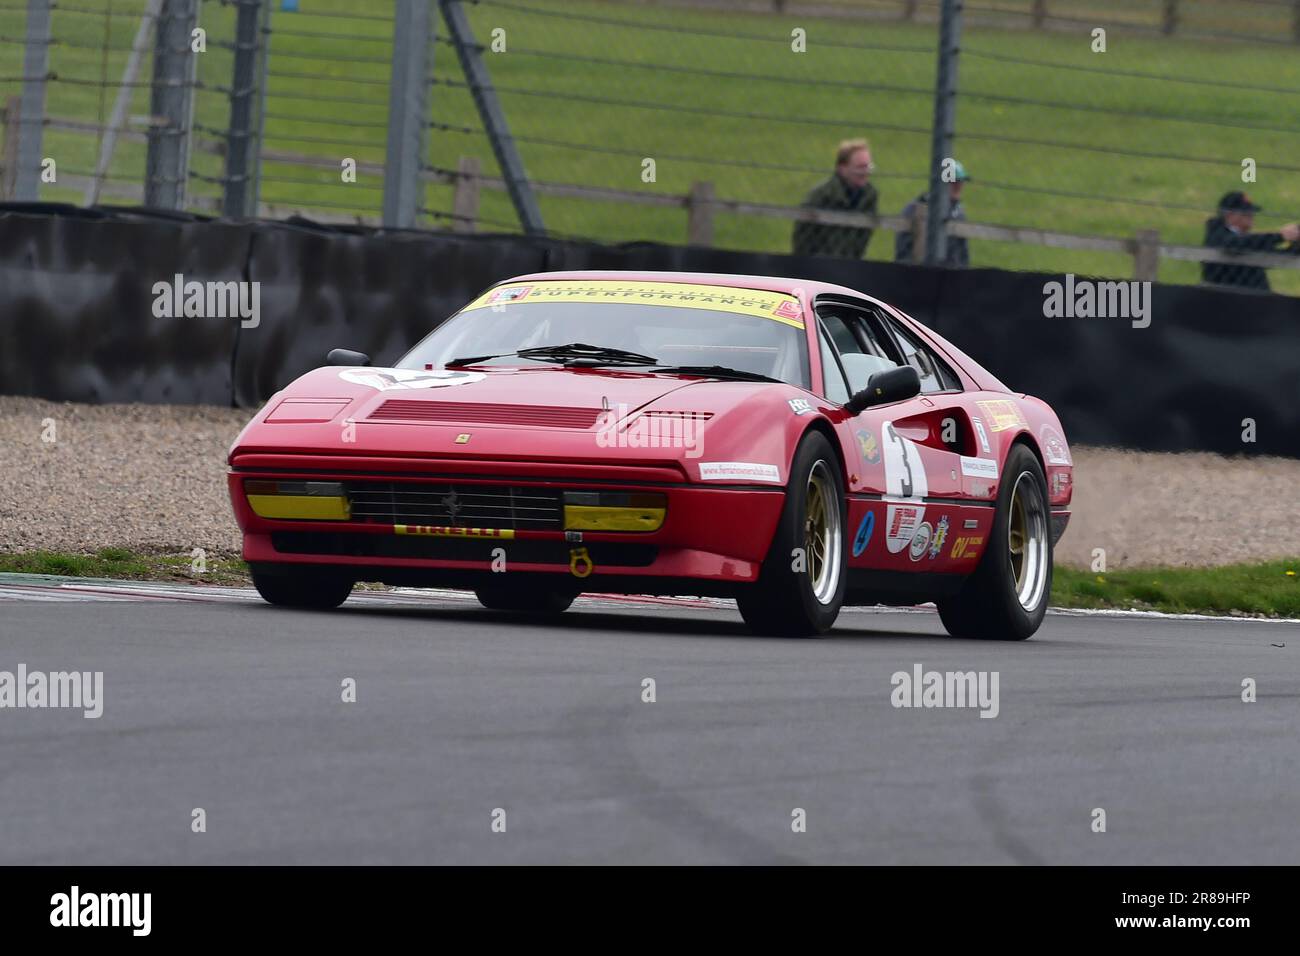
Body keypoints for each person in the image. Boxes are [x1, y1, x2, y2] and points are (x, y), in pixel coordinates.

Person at [791, 139, 879, 259]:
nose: (865, 173)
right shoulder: (820, 196)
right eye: (859, 167)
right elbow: (802, 241)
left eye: (867, 167)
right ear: (842, 168)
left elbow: (863, 239)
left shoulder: (870, 196)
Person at [1201, 191, 1300, 291]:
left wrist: (1297, 243)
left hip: (1255, 299)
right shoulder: (1218, 235)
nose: (1251, 215)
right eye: (1246, 213)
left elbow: (1276, 256)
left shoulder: (1246, 240)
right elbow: (1233, 244)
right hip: (1227, 299)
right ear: (1230, 215)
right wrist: (1280, 236)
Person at [894, 160, 971, 267]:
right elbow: (903, 252)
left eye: (961, 181)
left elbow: (963, 256)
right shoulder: (914, 210)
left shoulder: (959, 215)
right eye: (954, 182)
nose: (959, 186)